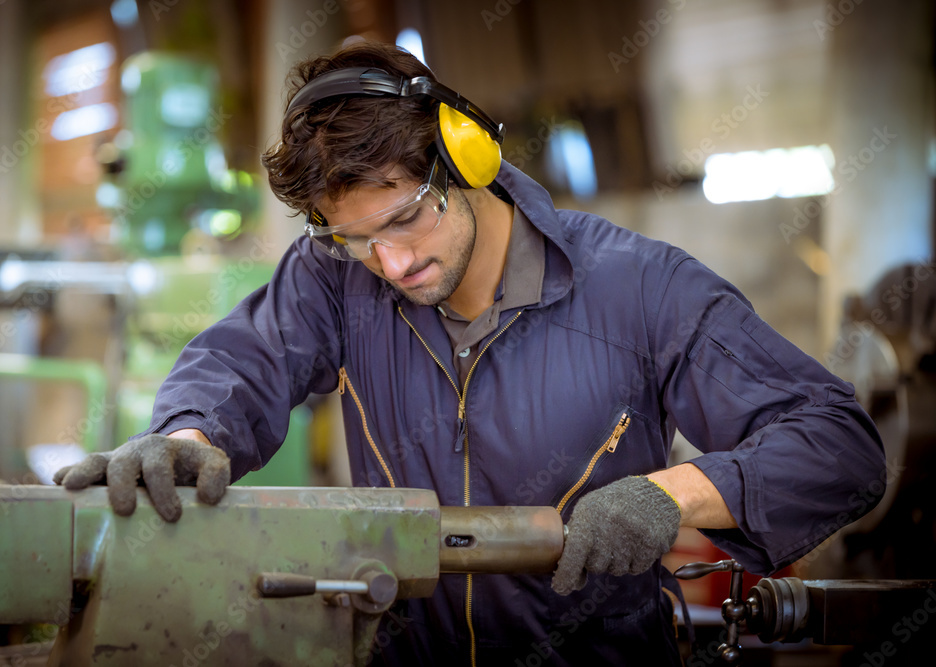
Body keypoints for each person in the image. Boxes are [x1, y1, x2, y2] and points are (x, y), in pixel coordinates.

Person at [55, 41, 887, 665]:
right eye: (355, 239)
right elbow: (241, 363)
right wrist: (190, 437)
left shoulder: (641, 290)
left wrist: (671, 496)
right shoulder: (333, 280)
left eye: (403, 220)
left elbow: (838, 445)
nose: (391, 263)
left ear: (468, 158)